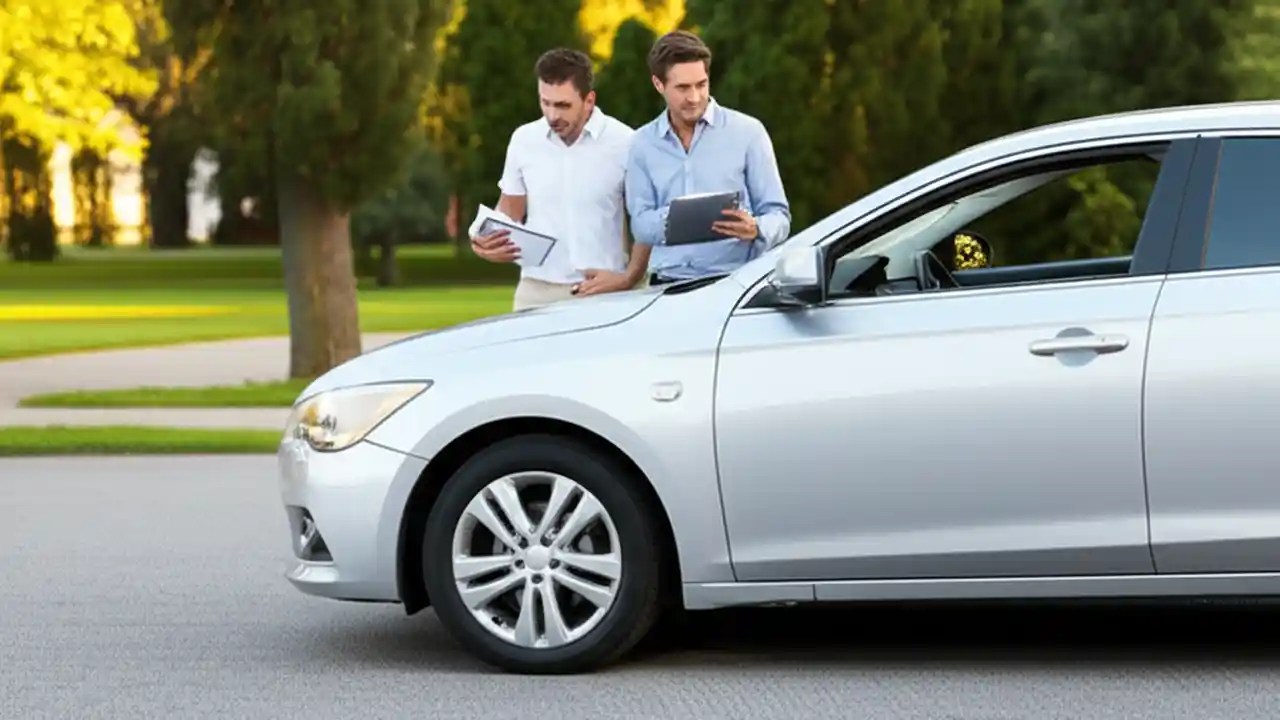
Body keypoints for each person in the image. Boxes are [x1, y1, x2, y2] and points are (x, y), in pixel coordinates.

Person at [470, 48, 650, 311]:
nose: (552, 115)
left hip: (602, 289)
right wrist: (484, 239)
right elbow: (510, 210)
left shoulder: (626, 142)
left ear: (589, 100)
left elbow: (647, 221)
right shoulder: (523, 140)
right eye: (545, 103)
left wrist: (628, 278)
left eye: (563, 105)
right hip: (536, 290)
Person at [624, 30, 791, 285]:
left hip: (736, 284)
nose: (694, 97)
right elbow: (640, 224)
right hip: (667, 285)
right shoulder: (642, 144)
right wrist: (680, 218)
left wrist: (756, 228)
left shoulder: (748, 132)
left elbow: (778, 215)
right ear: (658, 84)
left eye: (701, 85)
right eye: (682, 88)